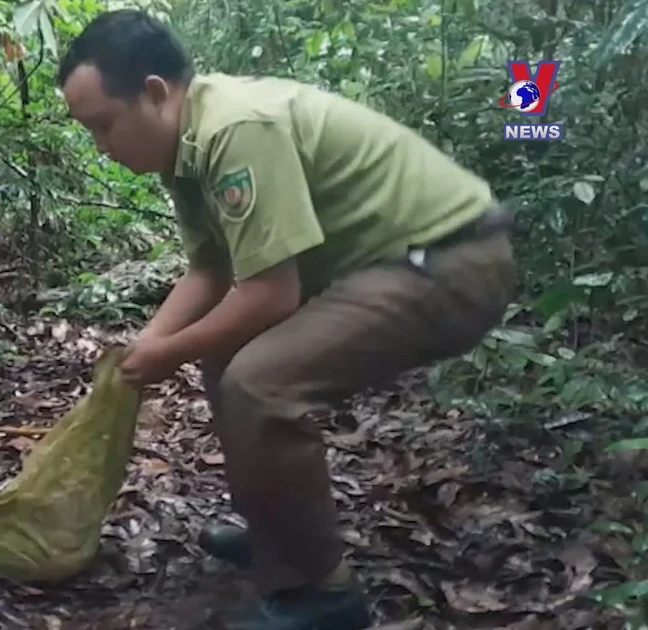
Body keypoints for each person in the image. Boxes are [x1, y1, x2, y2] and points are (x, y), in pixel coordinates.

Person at [57, 10, 516, 630]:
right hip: (392, 264)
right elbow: (210, 272)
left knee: (261, 381)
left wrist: (166, 356)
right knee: (225, 359)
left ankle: (323, 593)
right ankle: (279, 538)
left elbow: (271, 293)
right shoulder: (188, 149)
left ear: (155, 94)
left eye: (103, 126)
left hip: (451, 259)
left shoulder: (237, 128)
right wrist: (147, 345)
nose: (101, 148)